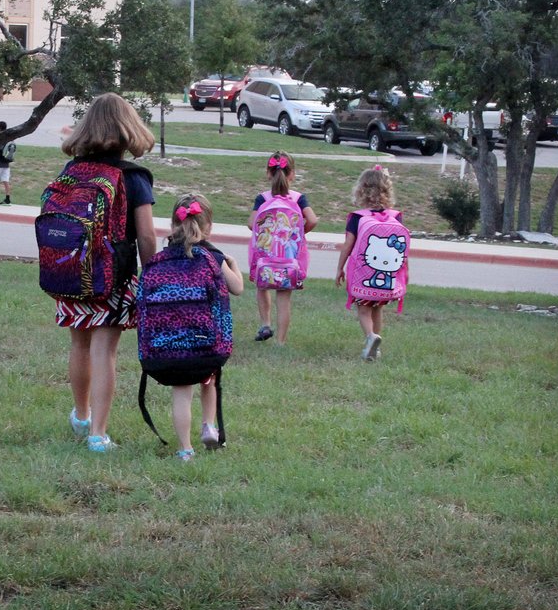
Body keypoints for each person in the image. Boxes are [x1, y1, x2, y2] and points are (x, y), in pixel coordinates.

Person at [53, 92, 156, 453]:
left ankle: (81, 416)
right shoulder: (134, 177)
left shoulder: (71, 172)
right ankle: (98, 433)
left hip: (69, 271)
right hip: (114, 276)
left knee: (79, 343)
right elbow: (145, 234)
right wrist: (153, 274)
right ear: (129, 130)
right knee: (104, 351)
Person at [158, 193, 243, 460]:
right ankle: (209, 426)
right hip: (206, 339)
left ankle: (185, 449)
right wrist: (234, 265)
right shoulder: (213, 257)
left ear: (174, 223)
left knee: (182, 392)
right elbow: (237, 288)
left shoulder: (165, 256)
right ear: (208, 227)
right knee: (210, 379)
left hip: (172, 340)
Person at [249, 151, 318, 345]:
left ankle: (265, 323)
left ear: (268, 173)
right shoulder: (298, 198)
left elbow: (251, 223)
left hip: (265, 257)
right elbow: (312, 220)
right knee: (284, 297)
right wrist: (297, 234)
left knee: (262, 287)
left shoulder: (262, 198)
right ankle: (280, 341)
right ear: (292, 174)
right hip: (289, 259)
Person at [335, 164, 401, 361]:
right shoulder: (396, 217)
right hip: (387, 276)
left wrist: (340, 268)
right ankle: (376, 348)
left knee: (364, 310)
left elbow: (348, 245)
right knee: (378, 308)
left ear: (361, 190)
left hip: (363, 276)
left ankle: (370, 337)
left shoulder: (357, 217)